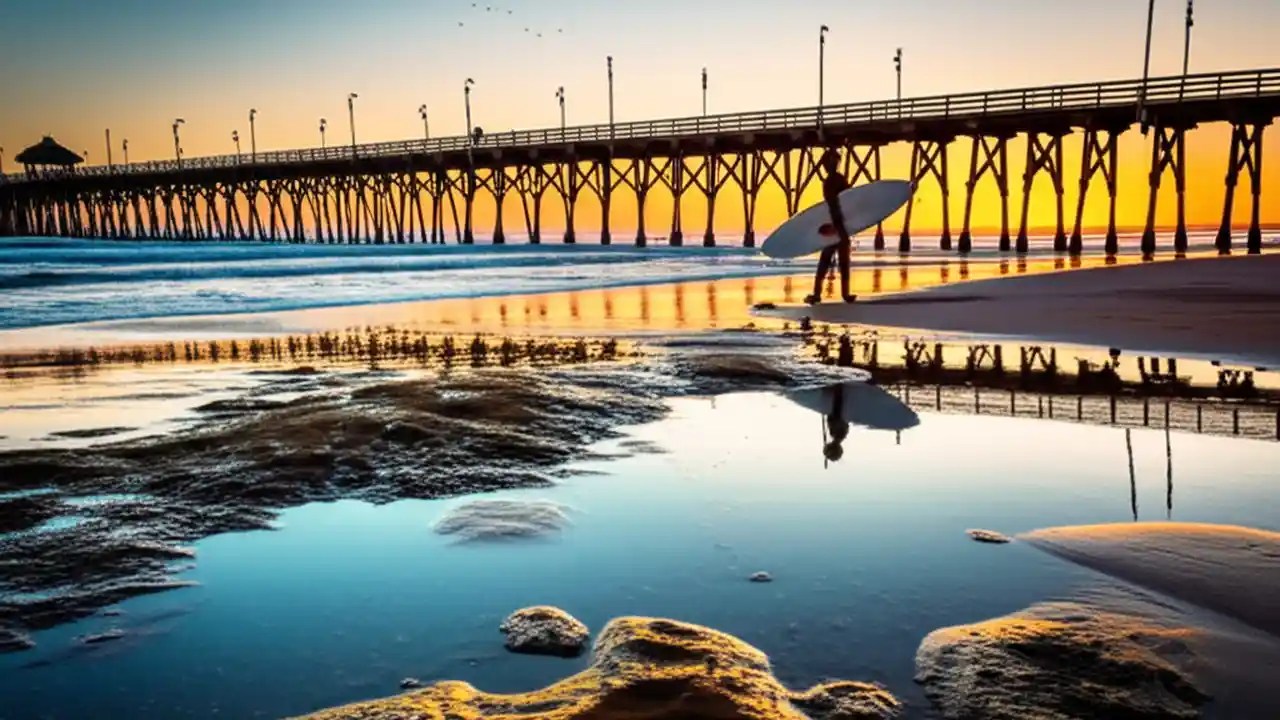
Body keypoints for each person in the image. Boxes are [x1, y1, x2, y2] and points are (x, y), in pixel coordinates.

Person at [805, 150, 857, 305]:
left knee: (826, 260)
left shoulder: (830, 181)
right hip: (839, 224)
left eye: (826, 164)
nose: (825, 167)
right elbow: (848, 200)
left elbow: (834, 204)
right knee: (842, 260)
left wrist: (837, 227)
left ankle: (818, 294)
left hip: (835, 224)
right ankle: (845, 294)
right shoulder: (838, 179)